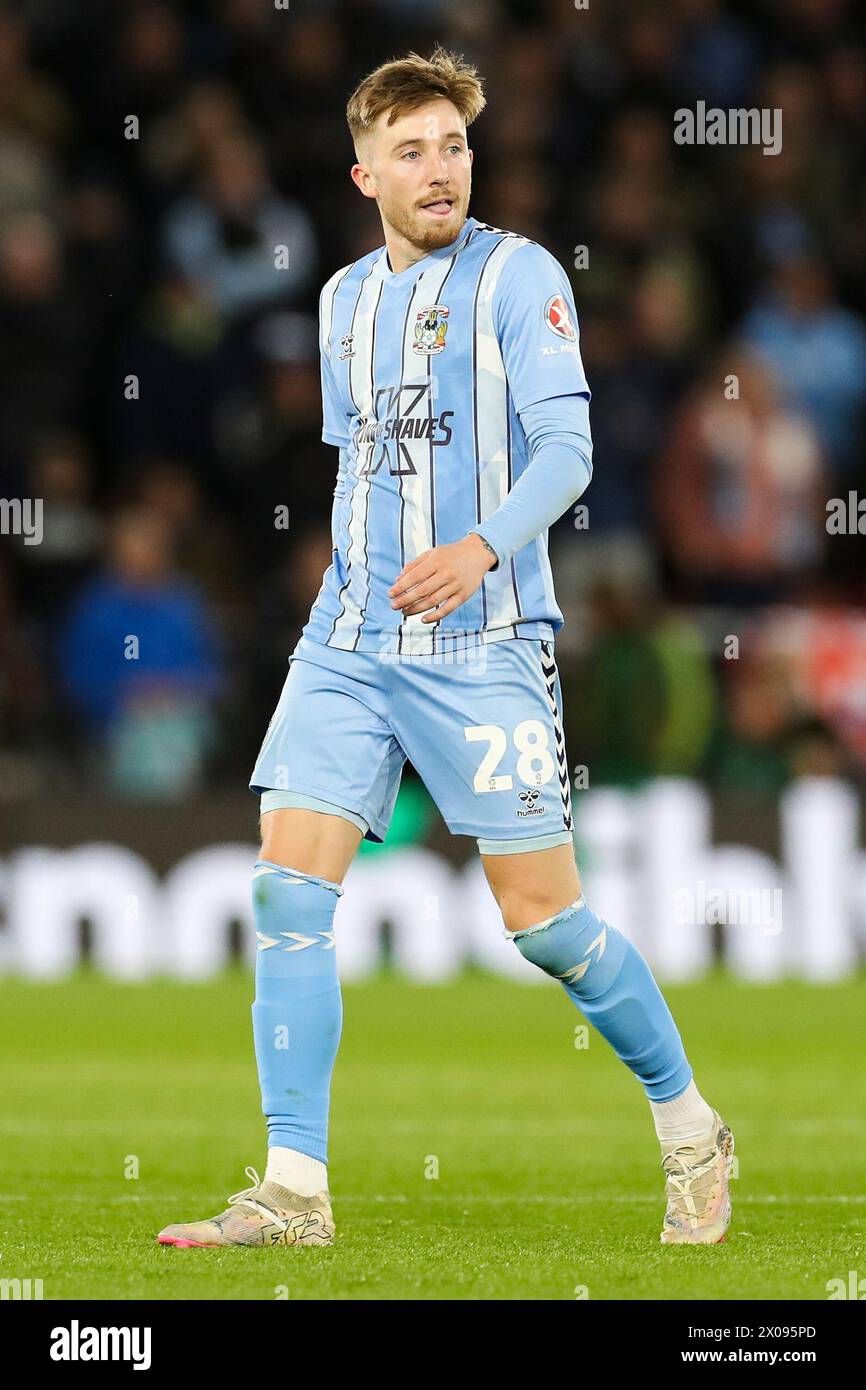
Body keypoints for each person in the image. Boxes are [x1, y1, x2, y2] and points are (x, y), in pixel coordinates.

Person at [157, 46, 733, 1251]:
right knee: (287, 891)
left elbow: (567, 457)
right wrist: (341, 591)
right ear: (363, 171)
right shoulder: (338, 302)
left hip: (481, 639)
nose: (438, 170)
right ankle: (294, 1191)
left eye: (454, 146)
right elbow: (362, 459)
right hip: (350, 637)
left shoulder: (520, 281)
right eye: (411, 150)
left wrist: (477, 548)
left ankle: (688, 1126)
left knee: (546, 926)